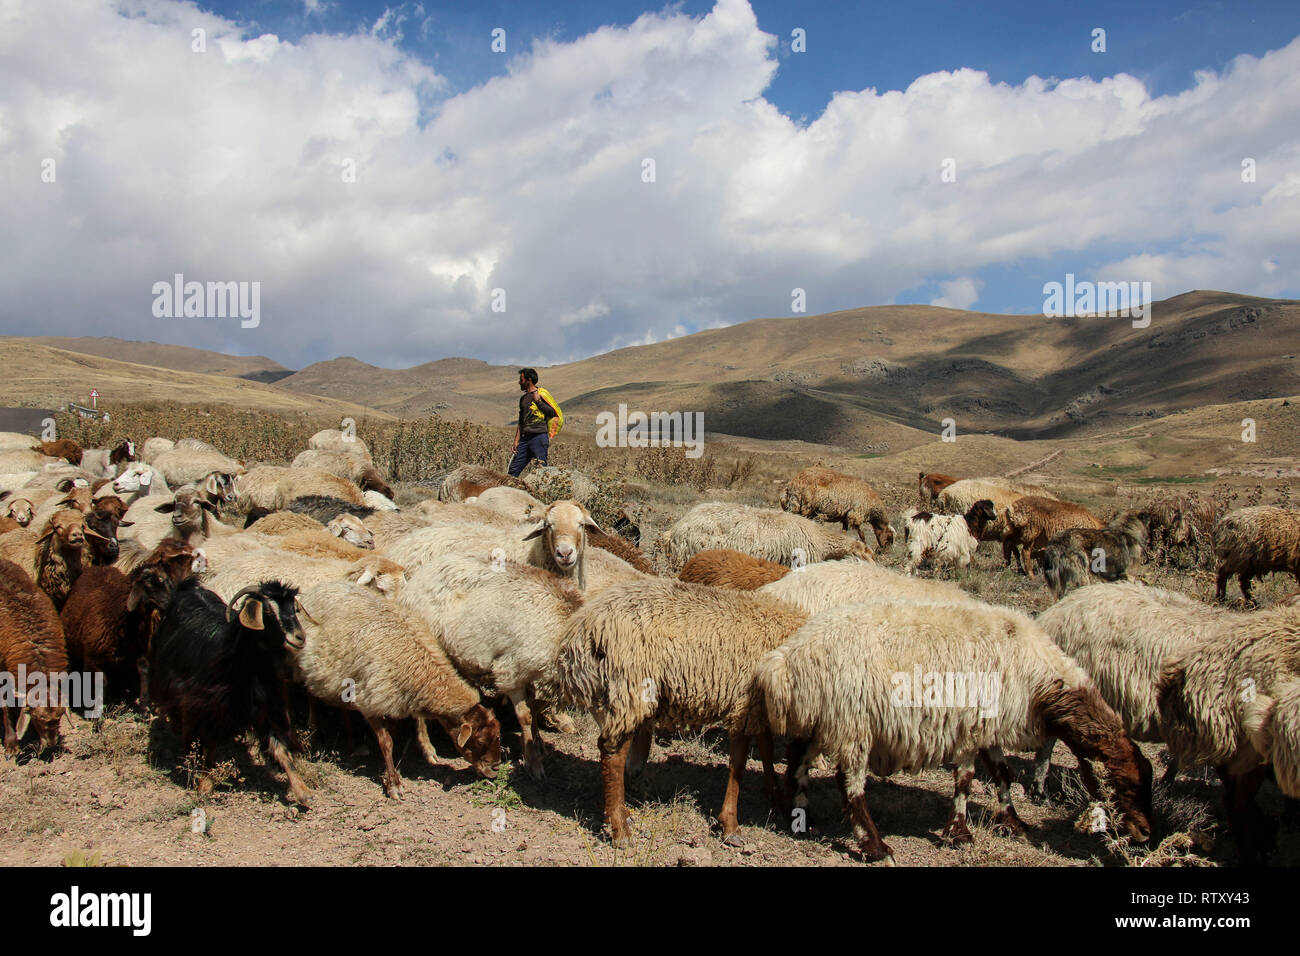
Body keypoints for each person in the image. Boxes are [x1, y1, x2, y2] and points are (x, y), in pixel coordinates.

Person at [508, 368, 558, 477]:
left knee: (542, 471)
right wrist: (516, 441)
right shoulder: (523, 398)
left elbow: (552, 412)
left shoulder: (542, 394)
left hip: (539, 437)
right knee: (513, 471)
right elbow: (521, 421)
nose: (519, 382)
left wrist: (538, 402)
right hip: (525, 439)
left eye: (521, 380)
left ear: (528, 380)